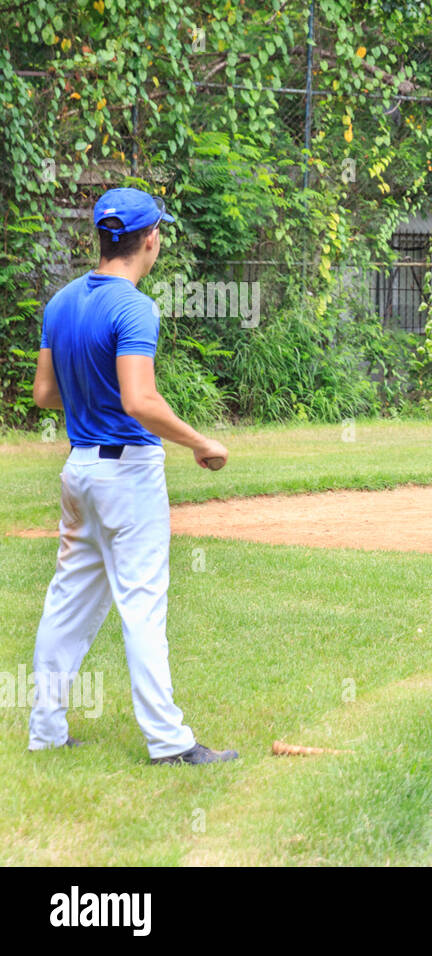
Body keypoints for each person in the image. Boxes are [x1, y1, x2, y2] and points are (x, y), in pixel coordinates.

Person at [29, 186, 237, 765]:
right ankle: (170, 744)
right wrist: (201, 442)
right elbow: (140, 400)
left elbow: (45, 393)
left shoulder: (62, 301)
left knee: (66, 601)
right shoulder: (135, 307)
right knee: (142, 604)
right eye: (159, 233)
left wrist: (87, 394)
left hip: (79, 472)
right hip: (128, 472)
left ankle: (45, 730)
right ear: (149, 240)